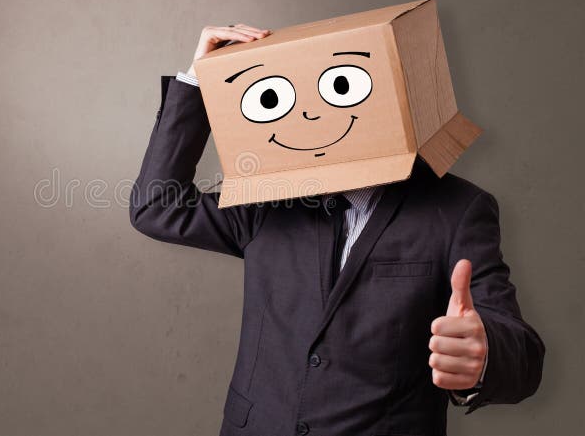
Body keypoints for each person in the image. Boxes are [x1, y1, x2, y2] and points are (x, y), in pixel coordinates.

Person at [129, 25, 544, 436]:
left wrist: (486, 353)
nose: (314, 113)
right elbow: (157, 206)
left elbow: (522, 356)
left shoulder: (458, 209)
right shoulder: (269, 197)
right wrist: (200, 79)